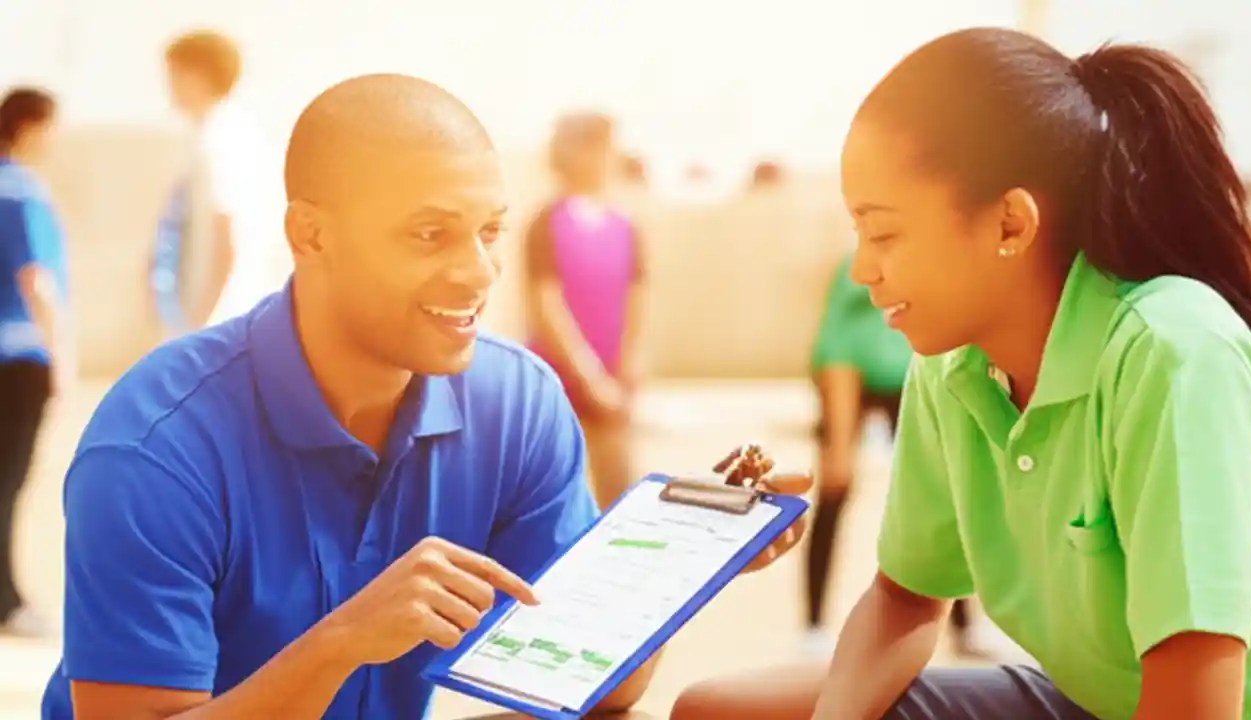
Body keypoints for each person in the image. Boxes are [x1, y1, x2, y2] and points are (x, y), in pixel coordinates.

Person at [41, 73, 809, 720]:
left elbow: (602, 694)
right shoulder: (155, 445)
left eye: (490, 231)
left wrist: (673, 566)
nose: (478, 272)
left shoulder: (517, 405)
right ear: (310, 235)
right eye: (429, 235)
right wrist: (341, 643)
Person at [673, 27, 1251, 720]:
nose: (862, 269)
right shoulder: (951, 366)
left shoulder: (1173, 354)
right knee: (714, 710)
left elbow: (1196, 701)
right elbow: (905, 600)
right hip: (1097, 701)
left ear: (1010, 225)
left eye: (884, 233)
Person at [806, 253, 989, 659]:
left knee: (948, 494)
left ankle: (965, 625)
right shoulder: (858, 275)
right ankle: (814, 625)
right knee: (835, 490)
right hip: (854, 378)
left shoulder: (938, 273)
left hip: (910, 376)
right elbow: (836, 347)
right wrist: (839, 440)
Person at [525, 113, 646, 509]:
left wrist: (626, 371)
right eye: (598, 146)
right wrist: (589, 377)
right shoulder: (544, 224)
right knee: (553, 505)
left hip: (611, 390)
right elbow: (547, 306)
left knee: (622, 502)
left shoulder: (627, 226)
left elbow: (636, 303)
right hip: (559, 387)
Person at [0, 87, 70, 638]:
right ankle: (6, 600)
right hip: (19, 359)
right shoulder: (21, 191)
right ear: (28, 128)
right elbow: (37, 280)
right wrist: (63, 359)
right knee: (8, 482)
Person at [152, 30, 277, 336]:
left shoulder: (218, 140)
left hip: (221, 317)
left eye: (174, 75)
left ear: (198, 77)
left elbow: (226, 238)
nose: (168, 88)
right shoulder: (235, 132)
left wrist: (197, 326)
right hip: (231, 314)